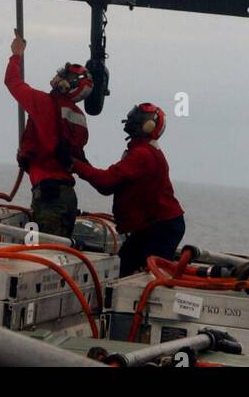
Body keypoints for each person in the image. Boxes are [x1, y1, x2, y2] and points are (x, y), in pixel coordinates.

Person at [73, 102, 185, 277]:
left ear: (150, 126)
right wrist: (82, 165)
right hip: (155, 225)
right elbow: (109, 185)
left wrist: (76, 165)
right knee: (124, 269)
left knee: (148, 277)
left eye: (139, 116)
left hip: (160, 228)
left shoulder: (142, 155)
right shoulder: (141, 151)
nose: (133, 119)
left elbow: (107, 182)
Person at [4, 33, 91, 238]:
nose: (58, 75)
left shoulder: (43, 103)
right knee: (61, 252)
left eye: (63, 74)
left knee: (44, 254)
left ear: (67, 84)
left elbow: (12, 82)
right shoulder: (78, 118)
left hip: (48, 197)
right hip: (67, 196)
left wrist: (16, 54)